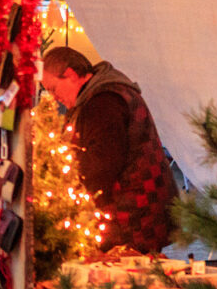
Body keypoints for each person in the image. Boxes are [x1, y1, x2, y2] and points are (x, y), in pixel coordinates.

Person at [39, 47, 176, 254]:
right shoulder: (99, 95)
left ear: (71, 75)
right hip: (137, 210)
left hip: (133, 214)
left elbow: (101, 166)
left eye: (53, 88)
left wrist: (67, 194)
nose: (53, 97)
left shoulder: (103, 103)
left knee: (127, 275)